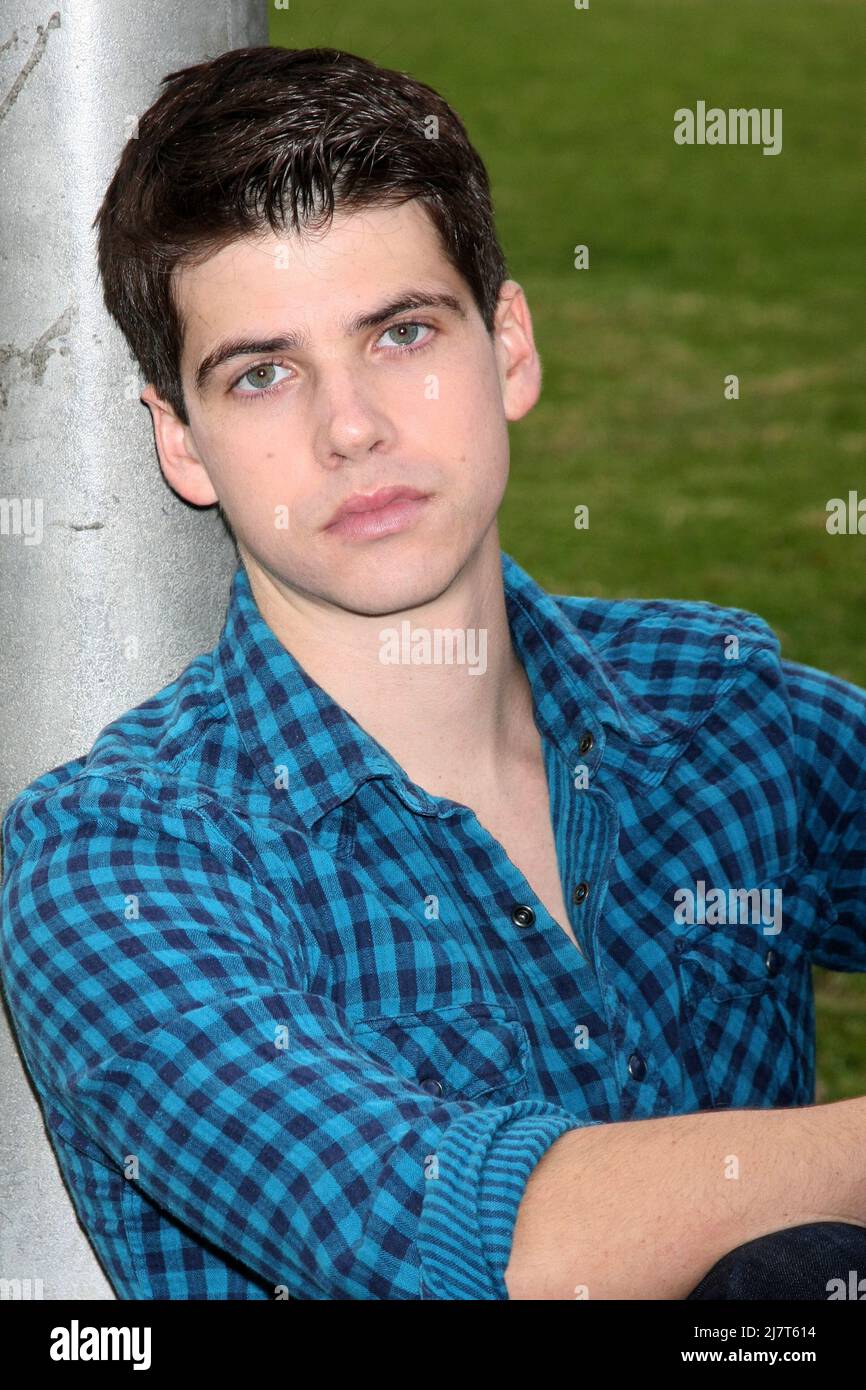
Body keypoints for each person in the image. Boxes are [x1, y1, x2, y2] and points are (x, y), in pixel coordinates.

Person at [2, 45, 865, 1302]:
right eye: (262, 373)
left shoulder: (715, 708)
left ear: (507, 347)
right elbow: (460, 1244)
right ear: (180, 441)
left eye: (401, 333)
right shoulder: (115, 857)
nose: (349, 427)